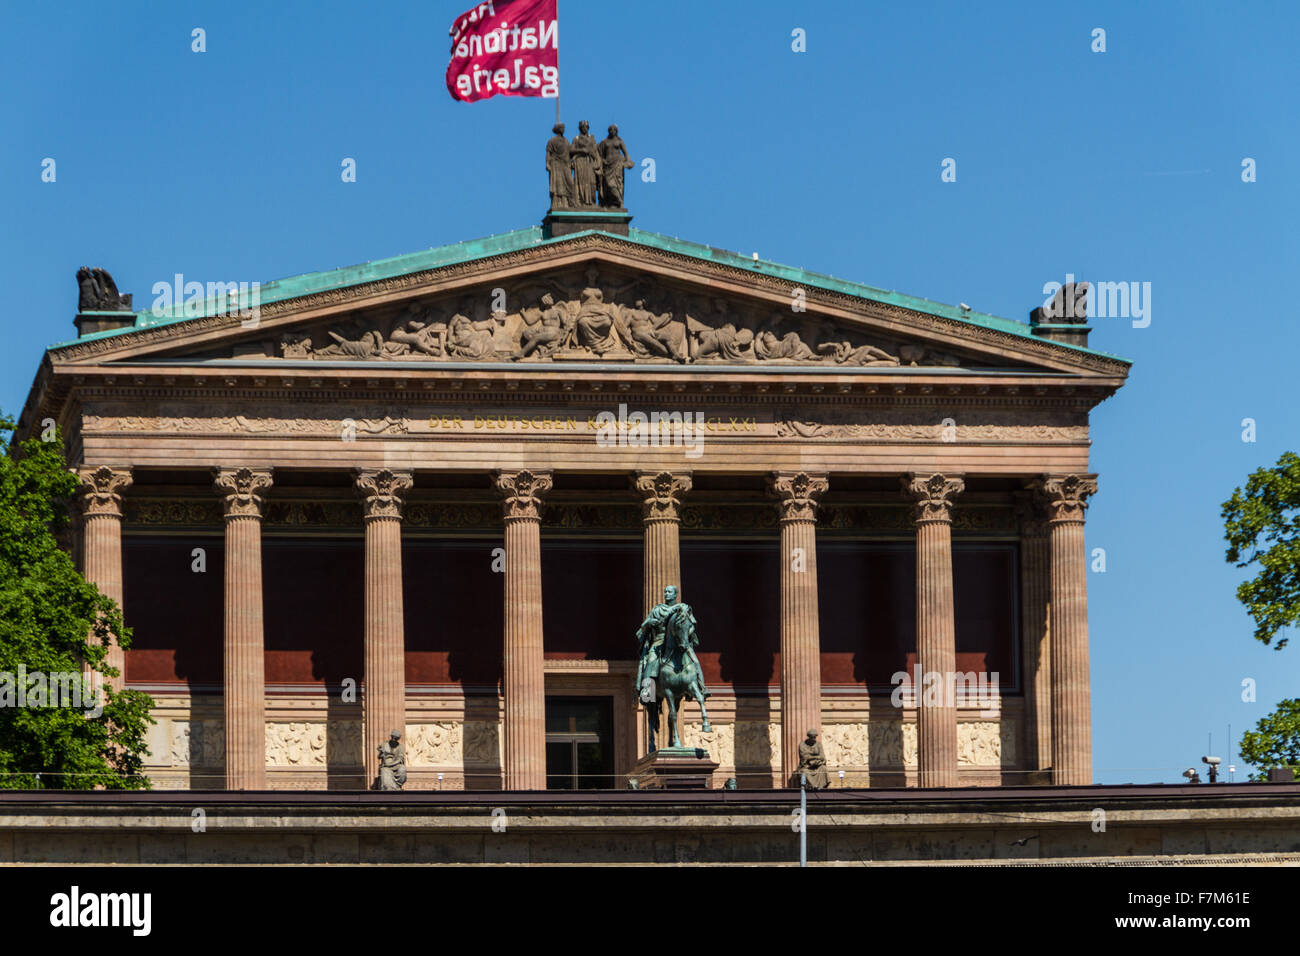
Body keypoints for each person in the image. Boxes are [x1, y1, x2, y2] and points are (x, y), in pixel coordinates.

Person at [598, 124, 633, 208]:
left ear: (616, 131)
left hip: (617, 165)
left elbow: (626, 153)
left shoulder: (620, 141)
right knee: (608, 184)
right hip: (607, 165)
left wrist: (628, 161)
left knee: (616, 185)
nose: (612, 131)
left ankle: (619, 202)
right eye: (611, 129)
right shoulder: (604, 142)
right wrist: (602, 161)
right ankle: (612, 202)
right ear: (608, 131)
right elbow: (599, 154)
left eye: (614, 130)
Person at [570, 121, 600, 207]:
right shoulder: (576, 139)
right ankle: (580, 201)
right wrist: (581, 150)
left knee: (591, 181)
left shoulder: (592, 138)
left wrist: (596, 161)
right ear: (580, 128)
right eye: (582, 127)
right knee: (581, 181)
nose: (584, 128)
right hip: (580, 162)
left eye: (586, 127)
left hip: (590, 162)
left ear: (588, 128)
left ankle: (591, 202)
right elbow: (571, 150)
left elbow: (595, 151)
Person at [546, 123, 573, 210]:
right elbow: (548, 153)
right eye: (561, 128)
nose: (563, 129)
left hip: (565, 164)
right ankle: (557, 203)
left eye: (564, 128)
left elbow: (570, 153)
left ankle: (566, 202)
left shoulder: (566, 141)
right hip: (556, 164)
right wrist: (547, 163)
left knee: (569, 183)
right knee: (557, 184)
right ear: (557, 129)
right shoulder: (552, 141)